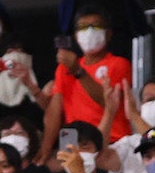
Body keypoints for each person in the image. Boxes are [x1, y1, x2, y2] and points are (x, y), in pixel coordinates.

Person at [43, 10, 132, 146]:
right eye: (83, 27)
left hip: (111, 141)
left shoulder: (119, 64)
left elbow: (108, 102)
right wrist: (45, 148)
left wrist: (78, 71)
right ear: (76, 35)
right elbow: (55, 111)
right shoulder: (64, 67)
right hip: (72, 141)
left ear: (108, 34)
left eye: (96, 26)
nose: (89, 31)